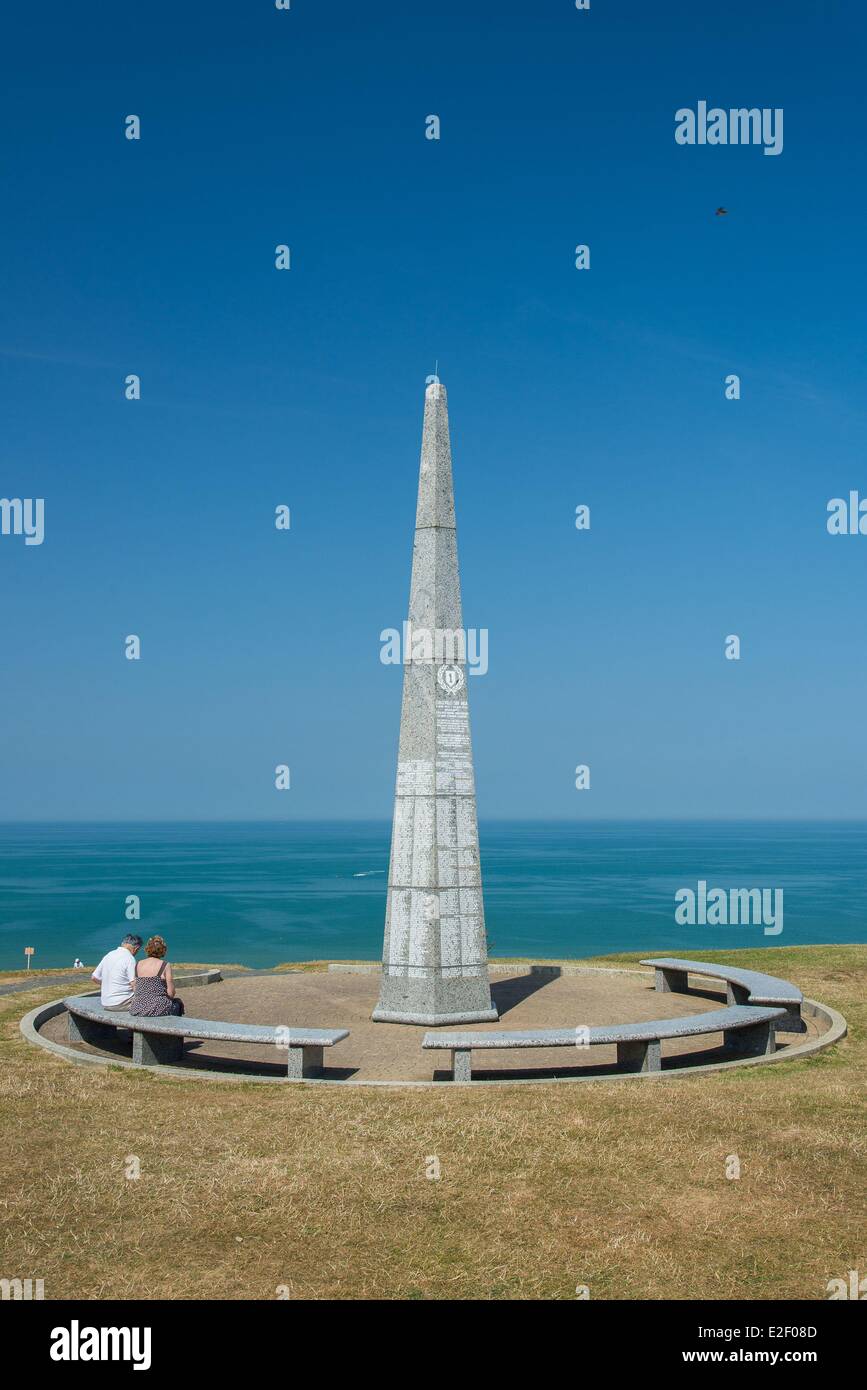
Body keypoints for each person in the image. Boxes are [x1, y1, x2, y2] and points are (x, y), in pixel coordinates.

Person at [129, 935, 184, 1018]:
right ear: (163, 950)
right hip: (157, 1008)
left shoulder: (138, 964)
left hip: (137, 1007)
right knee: (178, 1004)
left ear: (147, 949)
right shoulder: (165, 965)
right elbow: (171, 993)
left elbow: (136, 988)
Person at [91, 935, 142, 1011]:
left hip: (105, 1003)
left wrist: (108, 984)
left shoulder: (109, 955)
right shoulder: (129, 958)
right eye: (138, 950)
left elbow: (94, 977)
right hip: (122, 1003)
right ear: (136, 948)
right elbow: (133, 983)